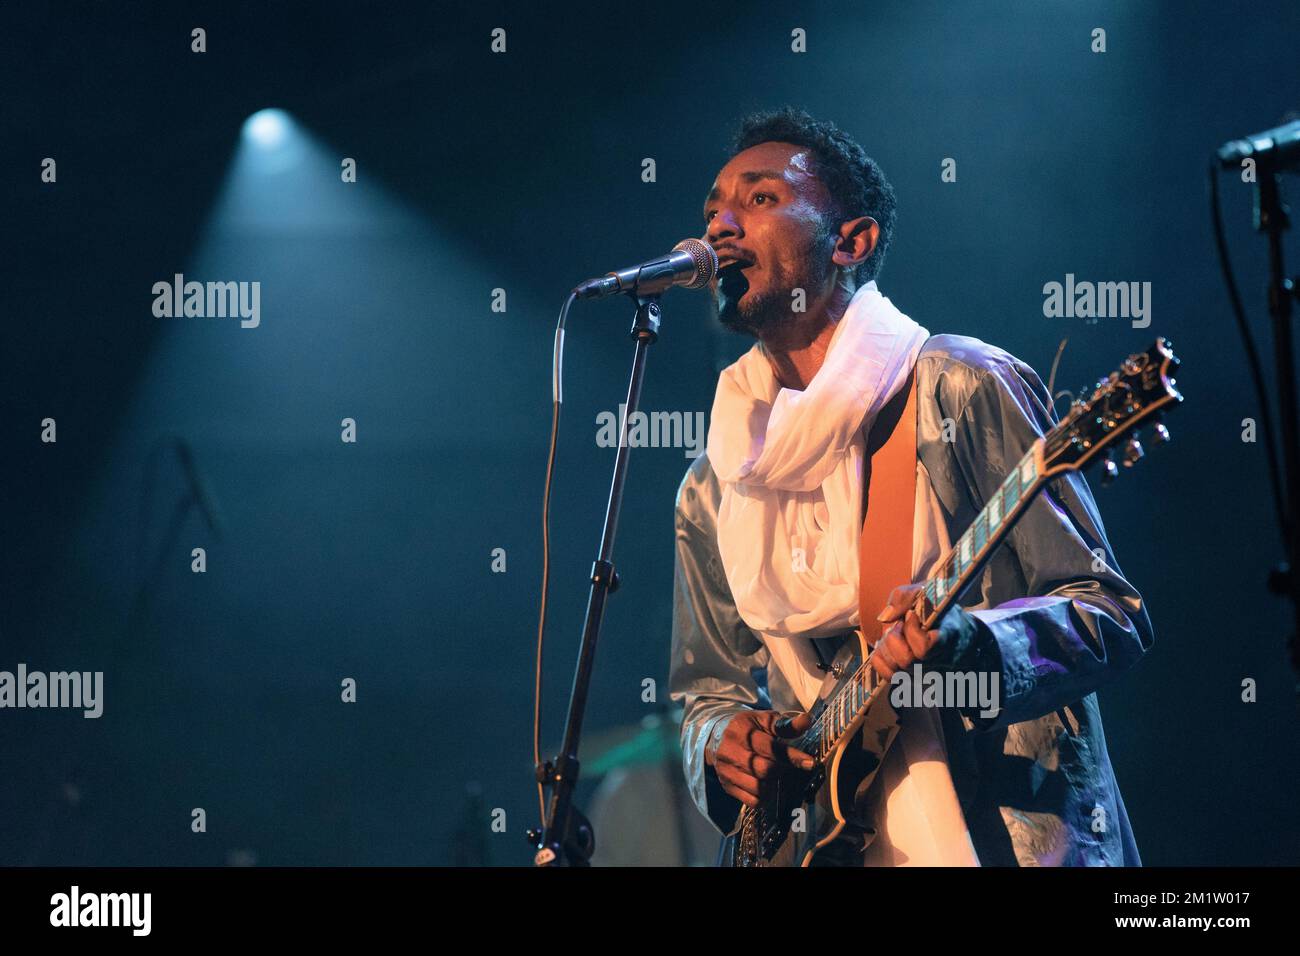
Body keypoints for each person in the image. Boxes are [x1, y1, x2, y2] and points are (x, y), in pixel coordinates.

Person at [668, 107, 1153, 866]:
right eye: (713, 210)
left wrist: (970, 644)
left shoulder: (959, 388)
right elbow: (706, 688)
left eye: (759, 199)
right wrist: (721, 746)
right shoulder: (713, 480)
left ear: (851, 242)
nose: (721, 225)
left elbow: (1108, 614)